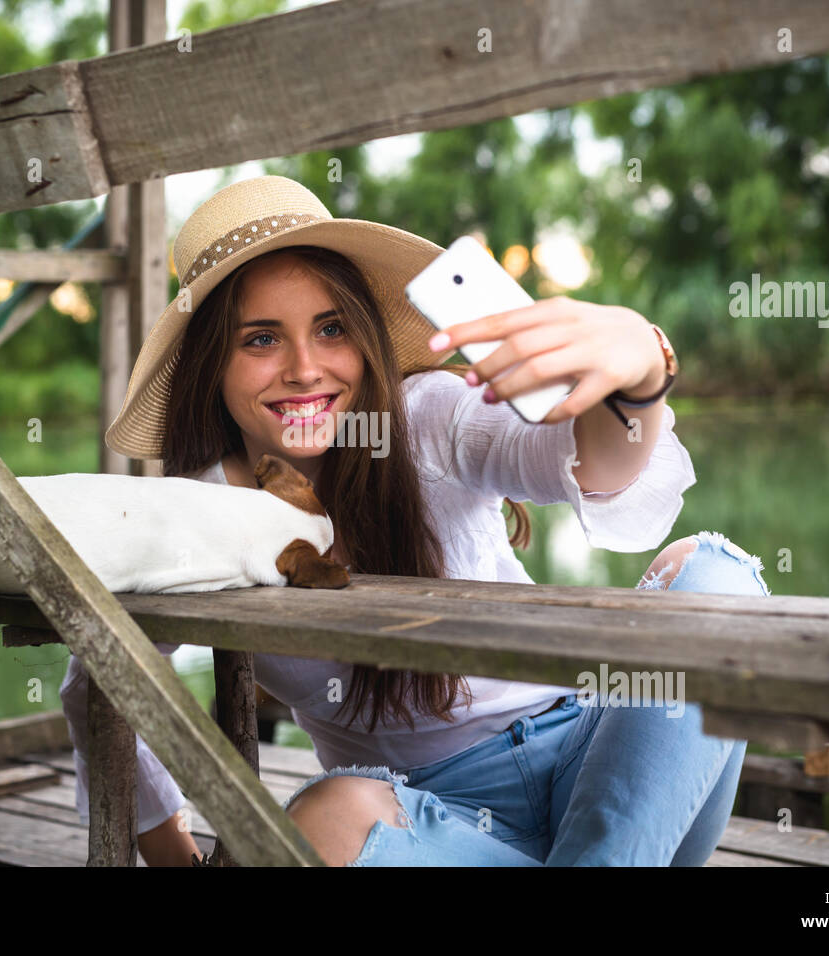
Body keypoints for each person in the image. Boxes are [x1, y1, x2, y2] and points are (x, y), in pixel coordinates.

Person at [60, 174, 771, 866]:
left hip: (615, 771)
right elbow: (101, 680)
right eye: (261, 339)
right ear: (212, 364)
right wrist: (175, 856)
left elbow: (597, 469)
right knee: (327, 818)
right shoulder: (205, 512)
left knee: (715, 577)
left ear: (365, 335)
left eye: (331, 328)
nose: (306, 369)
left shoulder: (427, 416)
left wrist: (640, 378)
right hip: (430, 825)